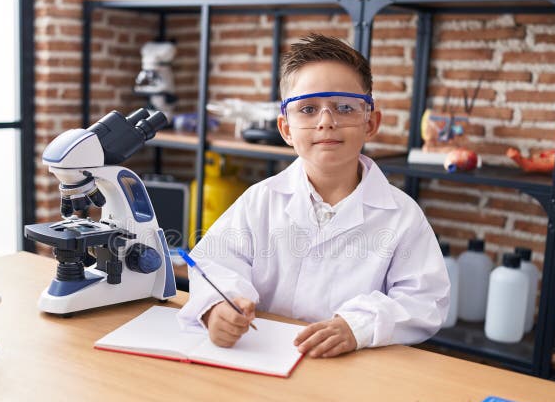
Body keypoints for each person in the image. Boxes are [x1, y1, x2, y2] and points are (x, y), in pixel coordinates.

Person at [177, 33, 449, 358]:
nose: (326, 122)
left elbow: (424, 300)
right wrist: (217, 307)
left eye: (344, 107)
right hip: (262, 358)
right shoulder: (260, 201)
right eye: (307, 109)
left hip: (353, 370)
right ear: (286, 129)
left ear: (370, 122)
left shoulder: (402, 215)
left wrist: (357, 326)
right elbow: (215, 263)